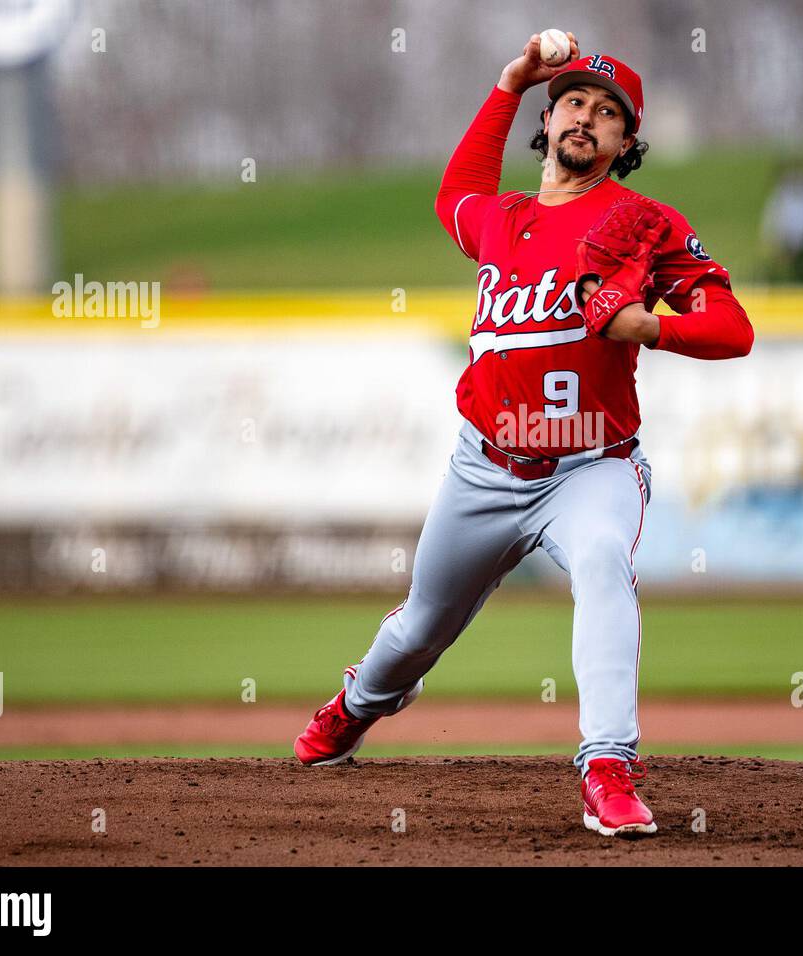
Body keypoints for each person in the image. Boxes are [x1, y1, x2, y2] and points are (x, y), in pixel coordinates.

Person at [294, 34, 754, 837]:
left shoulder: (644, 222)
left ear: (626, 143)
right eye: (575, 101)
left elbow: (733, 326)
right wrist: (507, 83)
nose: (588, 118)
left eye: (609, 113)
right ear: (549, 120)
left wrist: (651, 325)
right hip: (483, 468)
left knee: (605, 562)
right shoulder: (499, 219)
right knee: (415, 633)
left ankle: (608, 767)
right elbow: (454, 192)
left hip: (590, 467)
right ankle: (356, 704)